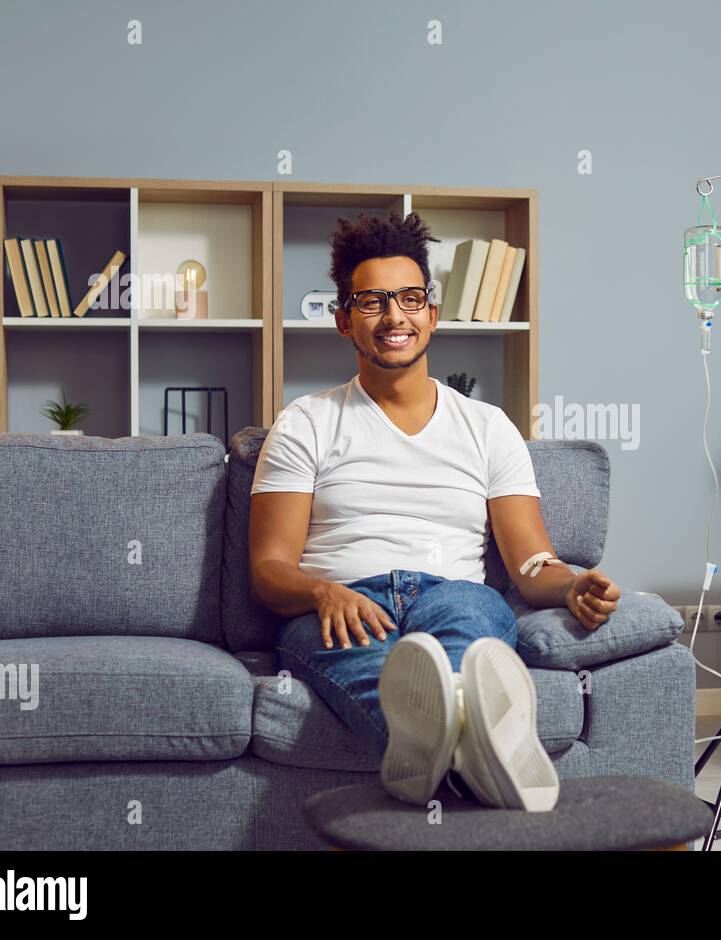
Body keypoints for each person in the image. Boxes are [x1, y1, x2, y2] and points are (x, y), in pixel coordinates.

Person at [247, 210, 621, 812]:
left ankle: (437, 759)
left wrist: (573, 584)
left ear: (432, 313)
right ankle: (481, 758)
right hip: (343, 608)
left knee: (452, 663)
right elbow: (268, 569)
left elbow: (529, 564)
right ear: (344, 320)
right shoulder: (305, 424)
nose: (394, 316)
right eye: (372, 302)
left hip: (453, 595)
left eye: (410, 298)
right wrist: (322, 594)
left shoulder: (487, 427)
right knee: (405, 699)